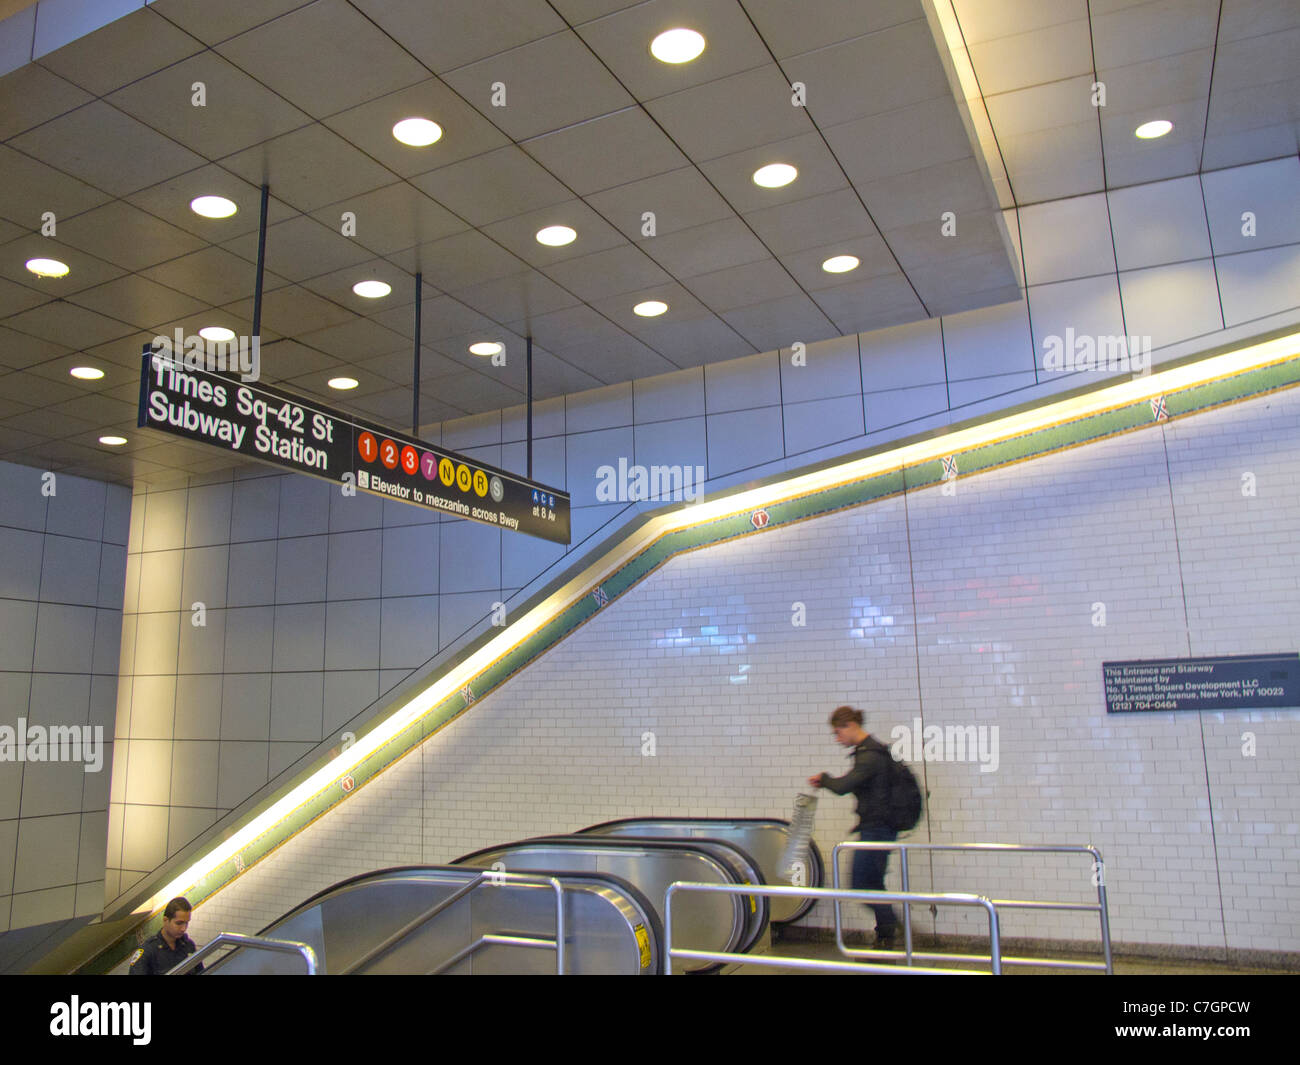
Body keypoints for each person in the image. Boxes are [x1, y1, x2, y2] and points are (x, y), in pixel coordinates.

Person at [809, 705, 900, 945]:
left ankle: (891, 925)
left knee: (860, 882)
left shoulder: (870, 756)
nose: (838, 739)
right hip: (878, 827)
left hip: (877, 829)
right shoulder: (871, 751)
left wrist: (824, 779)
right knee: (873, 882)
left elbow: (843, 787)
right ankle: (886, 935)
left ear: (850, 726)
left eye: (838, 733)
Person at [129, 897, 204, 974]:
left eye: (186, 923)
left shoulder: (188, 946)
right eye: (179, 923)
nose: (183, 928)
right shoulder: (148, 951)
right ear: (165, 920)